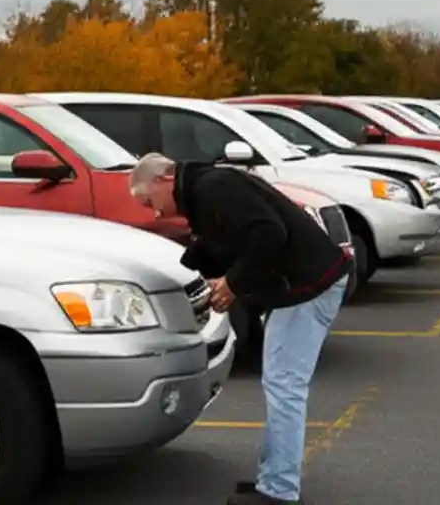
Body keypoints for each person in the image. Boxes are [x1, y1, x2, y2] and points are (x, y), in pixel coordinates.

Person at [129, 152, 350, 505]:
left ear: (163, 179)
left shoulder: (215, 187)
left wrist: (233, 284)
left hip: (310, 286)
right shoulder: (207, 190)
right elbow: (239, 242)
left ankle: (279, 490)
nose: (154, 213)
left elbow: (268, 234)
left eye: (149, 201)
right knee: (281, 383)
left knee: (284, 385)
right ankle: (273, 478)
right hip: (306, 284)